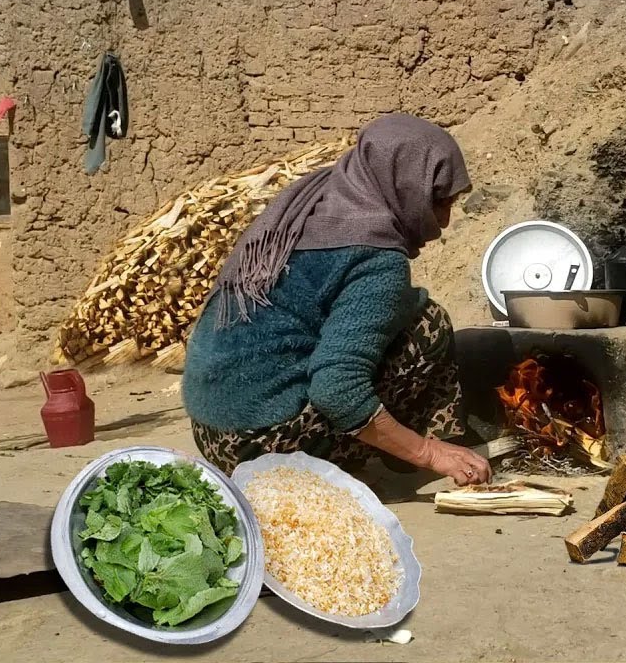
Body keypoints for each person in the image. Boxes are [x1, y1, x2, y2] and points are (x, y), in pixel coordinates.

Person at [182, 113, 492, 486]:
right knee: (428, 324)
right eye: (439, 202)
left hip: (211, 431)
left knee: (398, 313)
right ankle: (431, 450)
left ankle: (398, 443)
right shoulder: (375, 258)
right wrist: (430, 453)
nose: (442, 222)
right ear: (405, 185)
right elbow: (336, 388)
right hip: (262, 449)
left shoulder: (310, 202)